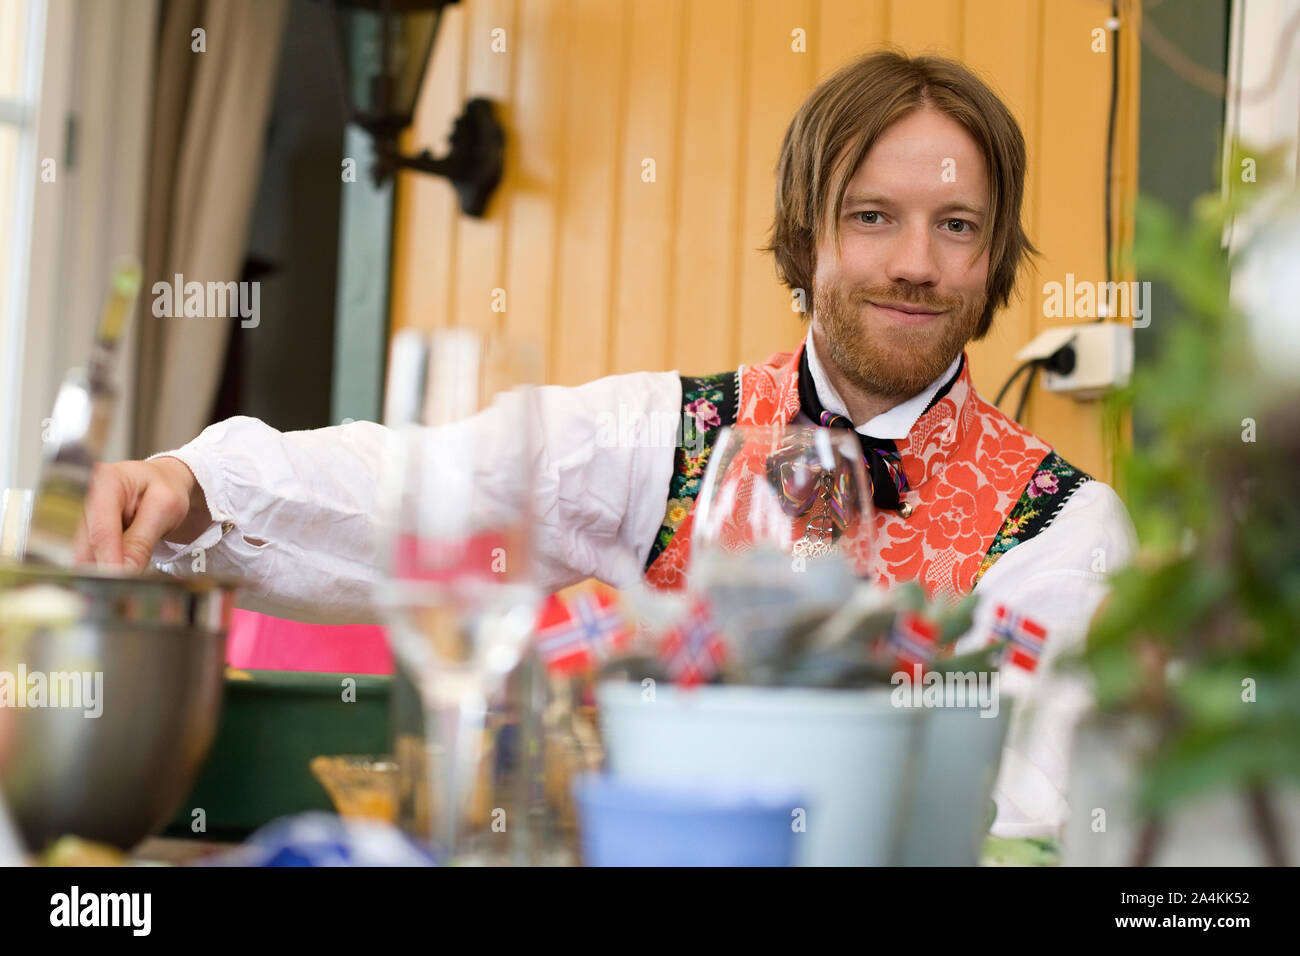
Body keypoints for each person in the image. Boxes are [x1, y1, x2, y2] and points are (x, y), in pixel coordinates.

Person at [77, 51, 1135, 838]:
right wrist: (196, 482)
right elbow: (425, 484)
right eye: (871, 216)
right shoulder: (659, 431)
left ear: (992, 255)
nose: (915, 261)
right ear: (806, 234)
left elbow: (1034, 827)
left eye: (955, 224)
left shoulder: (1067, 524)